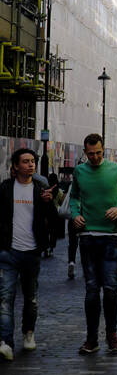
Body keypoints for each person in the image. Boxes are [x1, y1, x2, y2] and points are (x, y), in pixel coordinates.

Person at [68, 133, 117, 355]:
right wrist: (75, 214)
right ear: (85, 152)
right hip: (88, 236)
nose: (95, 157)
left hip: (111, 236)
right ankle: (91, 338)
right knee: (91, 290)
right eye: (91, 154)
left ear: (103, 149)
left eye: (98, 153)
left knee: (109, 288)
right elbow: (75, 197)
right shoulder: (79, 171)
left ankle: (111, 332)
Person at [0, 148, 57, 359]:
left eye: (33, 161)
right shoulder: (5, 188)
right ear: (15, 166)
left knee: (31, 298)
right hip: (9, 252)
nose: (30, 165)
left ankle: (28, 332)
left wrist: (49, 202)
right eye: (25, 161)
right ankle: (6, 341)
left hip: (32, 252)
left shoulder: (40, 189)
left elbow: (54, 221)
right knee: (6, 298)